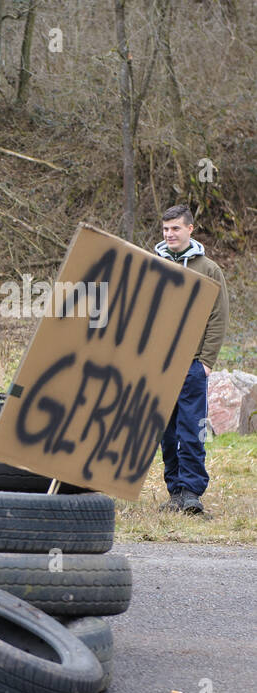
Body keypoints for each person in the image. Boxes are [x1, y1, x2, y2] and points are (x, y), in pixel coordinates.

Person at [154, 204, 229, 516]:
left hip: (192, 364)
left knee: (191, 429)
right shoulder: (151, 264)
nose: (170, 234)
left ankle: (192, 493)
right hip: (158, 364)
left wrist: (206, 361)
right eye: (166, 229)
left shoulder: (208, 269)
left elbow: (218, 317)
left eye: (176, 228)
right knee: (166, 433)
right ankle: (174, 492)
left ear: (190, 229)